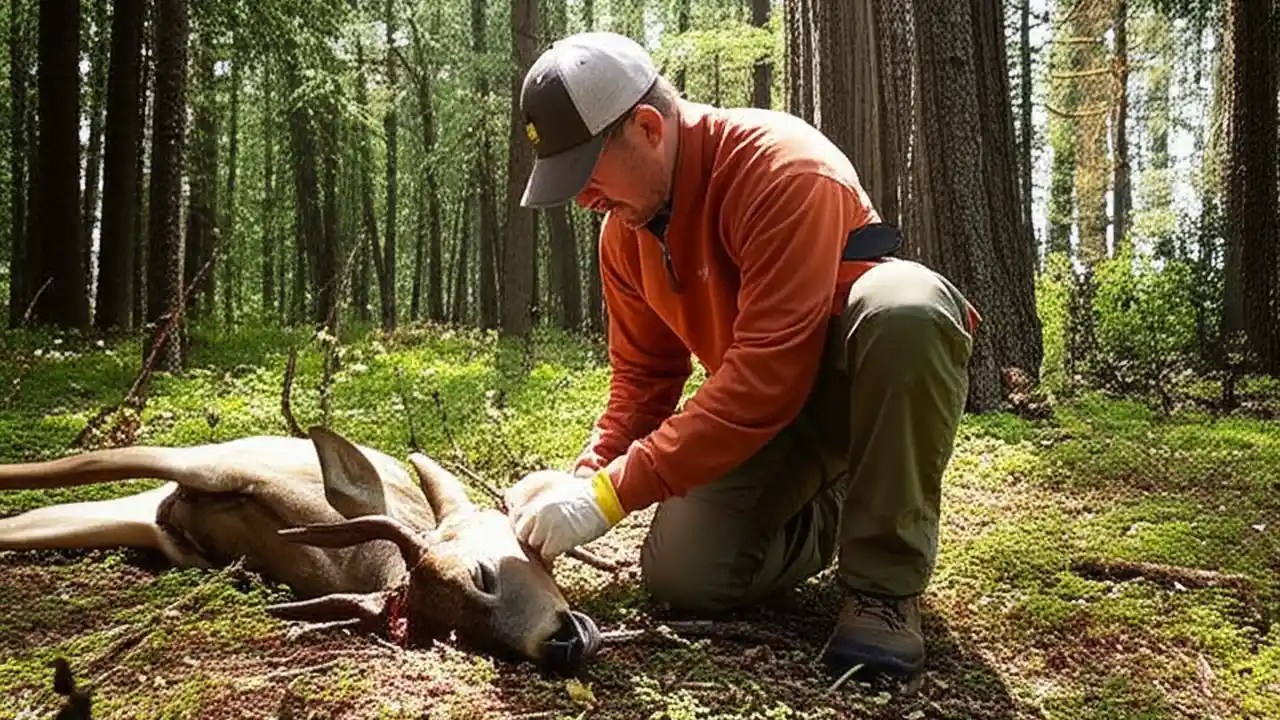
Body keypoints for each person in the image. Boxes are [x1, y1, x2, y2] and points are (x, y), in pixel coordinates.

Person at [503, 31, 979, 680]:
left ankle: (883, 590)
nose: (584, 201)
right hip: (768, 424)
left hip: (852, 390)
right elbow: (644, 381)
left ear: (647, 127)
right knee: (686, 574)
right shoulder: (625, 234)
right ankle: (847, 501)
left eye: (586, 174)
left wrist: (610, 498)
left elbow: (769, 376)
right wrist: (585, 477)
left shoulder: (779, 165)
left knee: (908, 305)